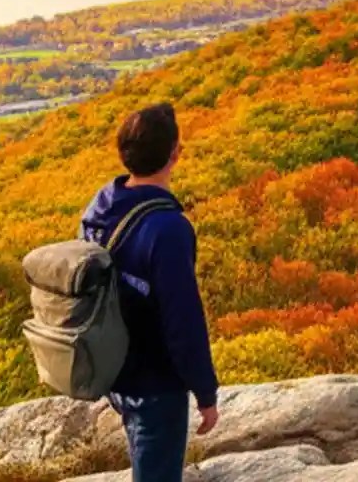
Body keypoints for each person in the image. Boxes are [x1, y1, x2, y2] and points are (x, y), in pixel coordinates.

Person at [80, 102, 219, 482]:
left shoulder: (101, 205)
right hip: (154, 382)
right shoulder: (168, 228)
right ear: (176, 153)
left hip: (112, 364)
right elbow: (182, 320)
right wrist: (205, 392)